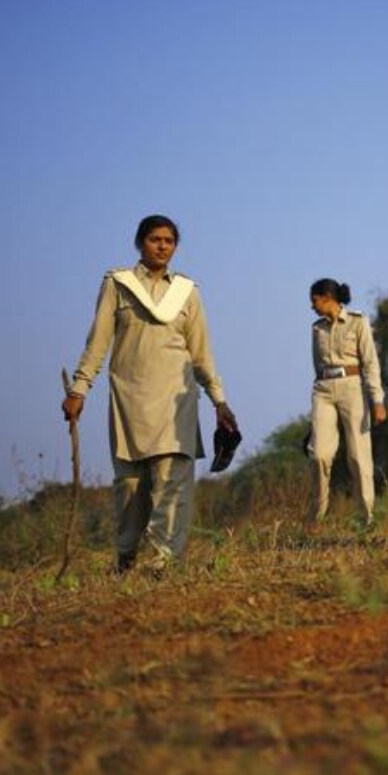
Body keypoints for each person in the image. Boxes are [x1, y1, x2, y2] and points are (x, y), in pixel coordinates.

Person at [62, 215, 238, 574]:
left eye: (169, 240)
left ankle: (163, 561)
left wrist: (219, 401)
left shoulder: (187, 292)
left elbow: (202, 352)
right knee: (131, 486)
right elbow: (98, 342)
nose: (162, 246)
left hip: (177, 399)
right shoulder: (119, 284)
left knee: (173, 480)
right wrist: (80, 388)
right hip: (130, 399)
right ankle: (126, 556)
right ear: (140, 242)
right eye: (155, 239)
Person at [307, 278, 387, 528]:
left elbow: (371, 362)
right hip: (323, 390)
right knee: (319, 454)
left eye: (315, 300)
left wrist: (377, 400)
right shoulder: (316, 328)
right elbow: (316, 364)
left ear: (328, 297)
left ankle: (367, 517)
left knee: (358, 456)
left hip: (352, 388)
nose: (312, 306)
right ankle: (317, 515)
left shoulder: (358, 321)